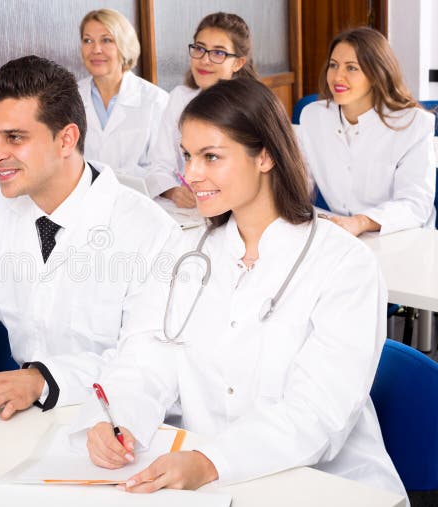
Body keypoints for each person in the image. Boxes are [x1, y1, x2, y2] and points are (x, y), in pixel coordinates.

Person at [77, 78, 406, 499]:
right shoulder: (183, 252)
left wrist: (214, 462)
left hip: (326, 486)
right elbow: (145, 355)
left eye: (211, 157)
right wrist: (116, 419)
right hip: (205, 480)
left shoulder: (345, 263)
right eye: (188, 156)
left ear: (265, 155)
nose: (190, 174)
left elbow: (318, 413)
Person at [0, 55, 182, 421]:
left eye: (14, 138)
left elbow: (146, 359)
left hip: (121, 424)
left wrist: (42, 380)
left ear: (66, 139)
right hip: (29, 418)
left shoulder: (150, 232)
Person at [298, 27, 435, 236]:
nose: (337, 76)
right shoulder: (312, 116)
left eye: (351, 68)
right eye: (333, 65)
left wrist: (361, 222)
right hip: (343, 234)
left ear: (376, 74)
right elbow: (301, 183)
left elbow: (415, 205)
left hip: (403, 235)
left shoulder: (414, 124)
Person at [150, 12, 258, 208]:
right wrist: (174, 192)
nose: (204, 60)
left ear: (238, 62)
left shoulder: (256, 106)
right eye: (199, 49)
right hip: (191, 212)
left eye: (218, 53)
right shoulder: (179, 98)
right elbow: (160, 164)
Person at [76, 9, 169, 197]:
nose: (96, 49)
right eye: (88, 40)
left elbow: (164, 167)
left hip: (140, 202)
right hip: (84, 202)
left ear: (124, 45)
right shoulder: (70, 98)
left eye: (106, 40)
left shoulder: (155, 100)